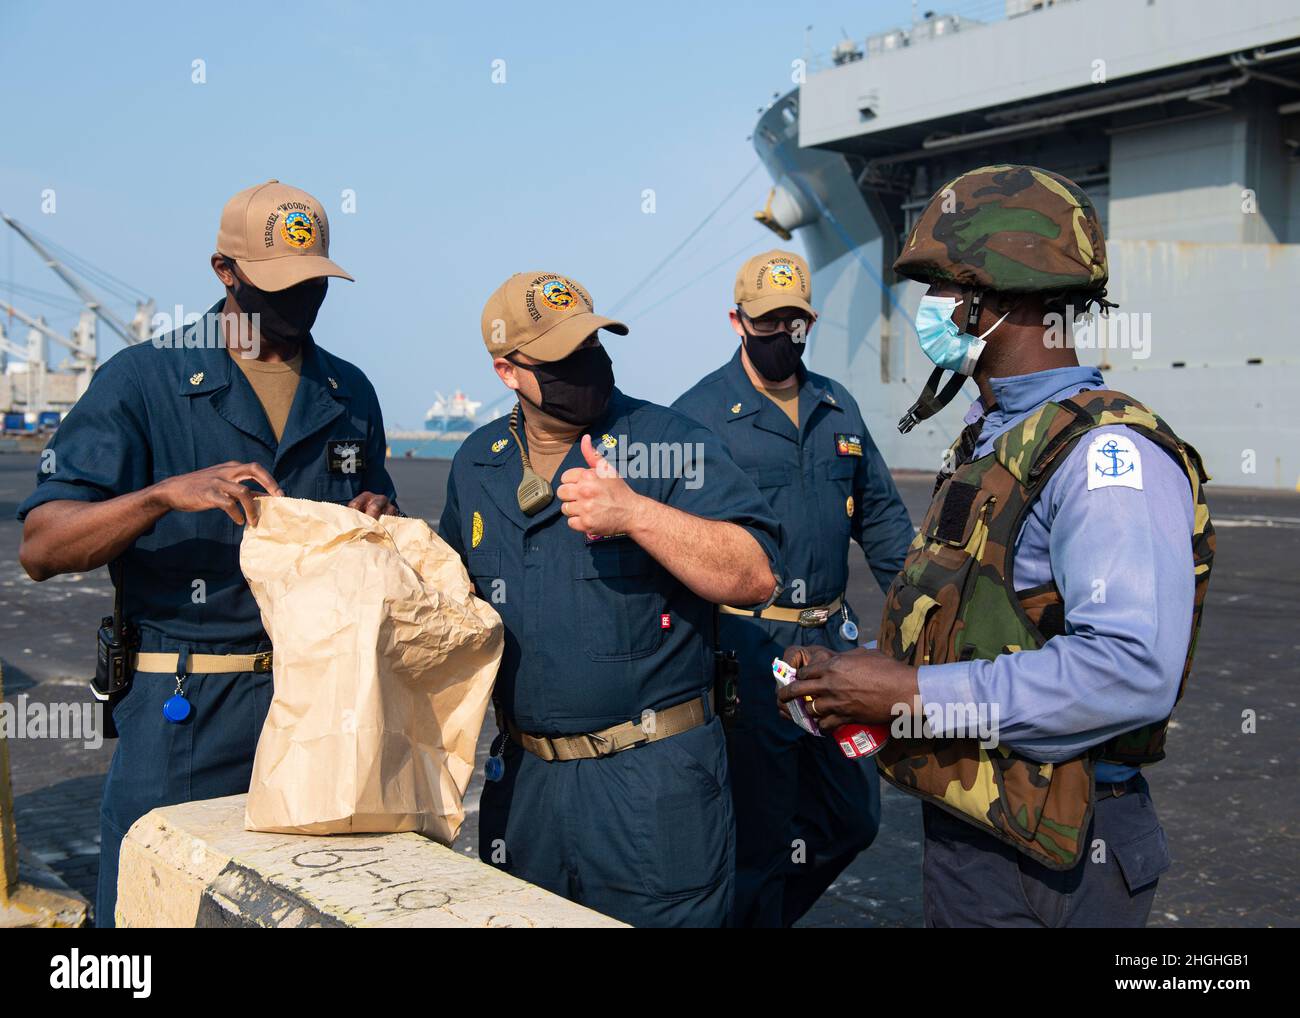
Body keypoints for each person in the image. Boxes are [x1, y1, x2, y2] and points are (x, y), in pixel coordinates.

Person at [776, 164, 1215, 928]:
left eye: (942, 289)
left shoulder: (1106, 455)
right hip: (988, 828)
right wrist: (863, 681)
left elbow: (1131, 670)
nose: (930, 309)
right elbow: (983, 622)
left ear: (998, 298)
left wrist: (912, 697)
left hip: (1063, 852)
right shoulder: (998, 438)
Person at [17, 180, 399, 927]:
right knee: (154, 913)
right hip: (183, 712)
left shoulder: (349, 391)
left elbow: (371, 511)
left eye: (315, 283)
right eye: (280, 285)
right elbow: (42, 545)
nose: (302, 303)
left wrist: (381, 519)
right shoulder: (142, 380)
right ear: (225, 271)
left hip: (320, 705)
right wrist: (160, 496)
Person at [438, 271, 784, 926]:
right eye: (562, 358)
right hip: (528, 787)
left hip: (651, 787)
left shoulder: (670, 443)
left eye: (592, 346)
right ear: (508, 370)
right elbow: (451, 599)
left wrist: (636, 515)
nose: (585, 366)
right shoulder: (477, 463)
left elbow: (754, 575)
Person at [671, 249, 913, 926]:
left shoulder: (838, 407)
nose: (784, 333)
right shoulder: (699, 417)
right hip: (750, 644)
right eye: (768, 320)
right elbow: (671, 540)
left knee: (854, 816)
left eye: (795, 320)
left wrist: (928, 607)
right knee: (760, 830)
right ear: (737, 320)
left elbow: (884, 518)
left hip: (833, 639)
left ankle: (765, 914)